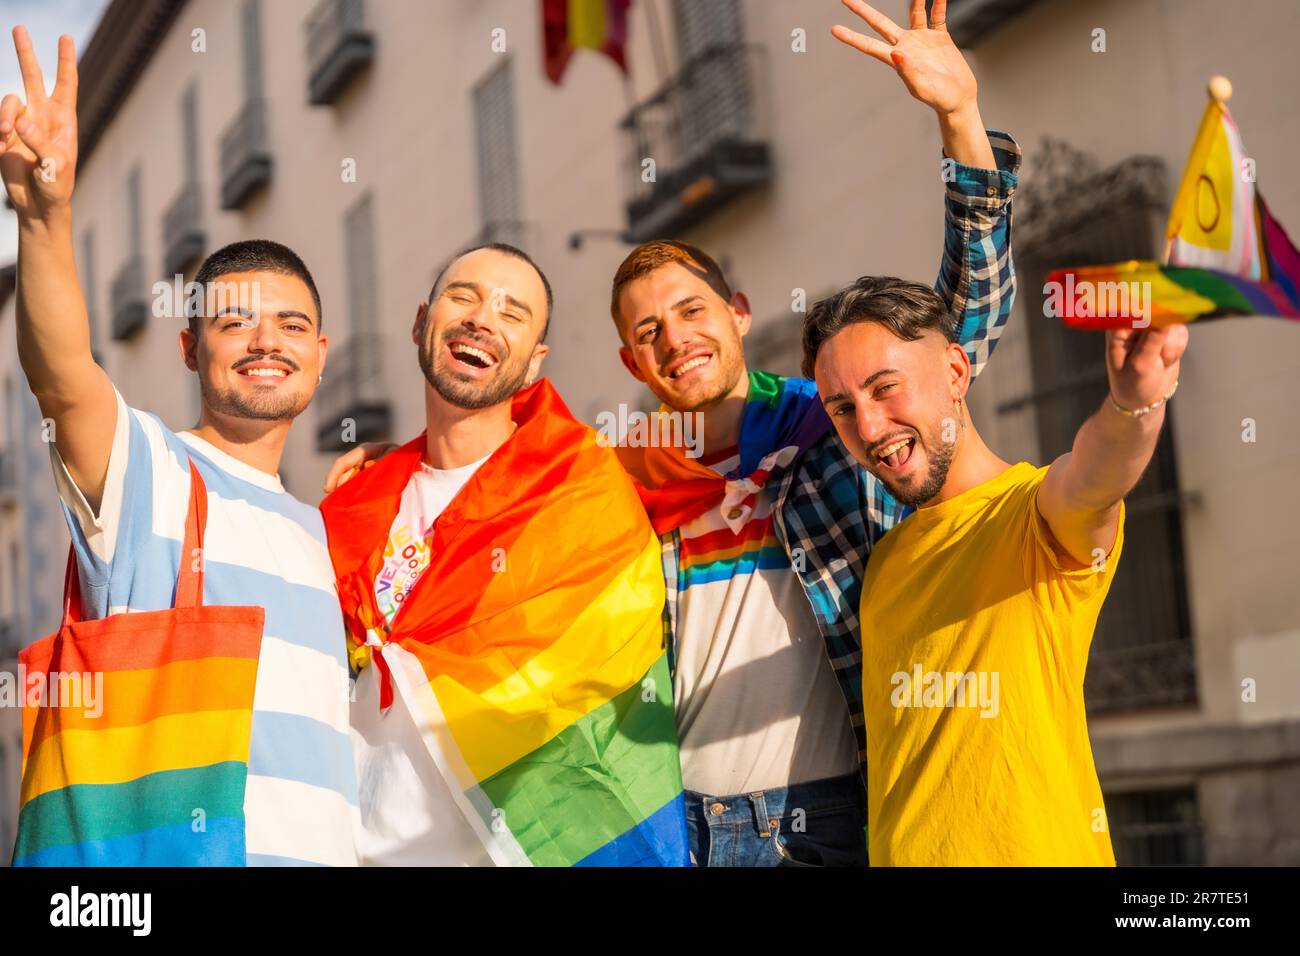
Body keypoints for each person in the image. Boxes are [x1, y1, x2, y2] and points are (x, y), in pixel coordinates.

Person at [604, 0, 1019, 865]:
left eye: (691, 310)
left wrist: (959, 120)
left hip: (830, 817)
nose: (675, 337)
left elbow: (960, 332)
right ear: (630, 361)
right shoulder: (626, 485)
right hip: (682, 829)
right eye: (649, 332)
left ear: (738, 314)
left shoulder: (832, 432)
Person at [3, 27, 358, 866]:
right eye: (234, 321)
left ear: (320, 355)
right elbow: (62, 377)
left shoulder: (325, 533)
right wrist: (45, 217)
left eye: (292, 326)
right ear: (190, 349)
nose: (266, 341)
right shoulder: (149, 472)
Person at [320, 244, 689, 866]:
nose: (482, 319)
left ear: (534, 362)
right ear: (421, 322)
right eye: (462, 296)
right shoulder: (351, 508)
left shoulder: (582, 488)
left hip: (523, 848)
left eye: (513, 313)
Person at [803, 275, 1186, 865]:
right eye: (844, 409)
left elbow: (1095, 480)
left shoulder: (1032, 516)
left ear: (956, 372)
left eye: (886, 389)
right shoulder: (883, 564)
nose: (870, 427)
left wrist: (1133, 405)